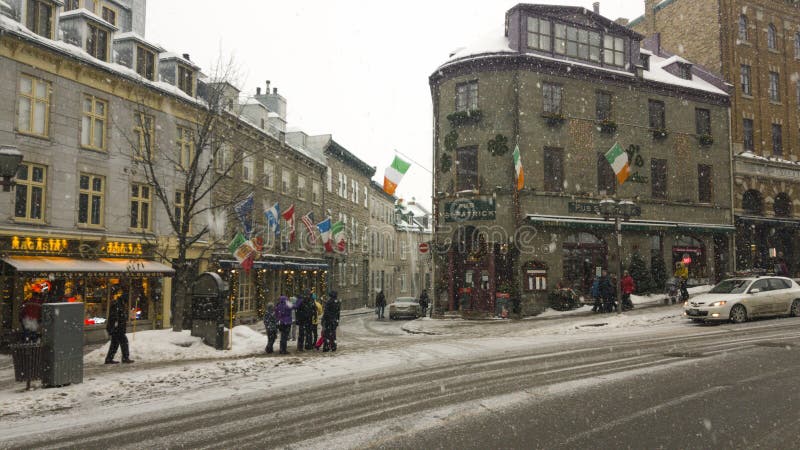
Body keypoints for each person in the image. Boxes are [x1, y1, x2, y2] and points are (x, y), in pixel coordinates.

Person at [105, 286, 134, 364]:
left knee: (115, 344)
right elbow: (114, 317)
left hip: (117, 328)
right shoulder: (118, 305)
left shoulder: (119, 304)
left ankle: (109, 359)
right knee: (124, 342)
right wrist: (116, 326)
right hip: (117, 329)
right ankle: (125, 358)